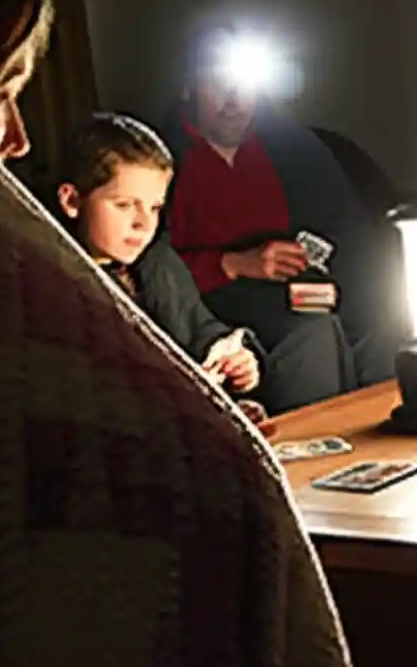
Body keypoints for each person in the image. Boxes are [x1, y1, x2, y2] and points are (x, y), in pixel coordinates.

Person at [0, 0, 356, 667]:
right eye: (5, 92)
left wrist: (230, 361)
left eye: (153, 209)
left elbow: (197, 328)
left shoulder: (188, 235)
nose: (17, 138)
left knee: (321, 333)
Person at [164, 24, 400, 408]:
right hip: (219, 308)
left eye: (245, 85)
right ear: (188, 87)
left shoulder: (295, 147)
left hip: (311, 292)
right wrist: (233, 264)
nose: (234, 100)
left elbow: (352, 236)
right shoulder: (164, 160)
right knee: (314, 335)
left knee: (388, 319)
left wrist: (353, 288)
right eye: (218, 83)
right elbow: (153, 270)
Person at [55, 111, 280, 430]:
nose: (143, 223)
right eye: (124, 205)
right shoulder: (57, 285)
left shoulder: (159, 262)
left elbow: (202, 329)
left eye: (155, 207)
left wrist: (238, 364)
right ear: (72, 201)